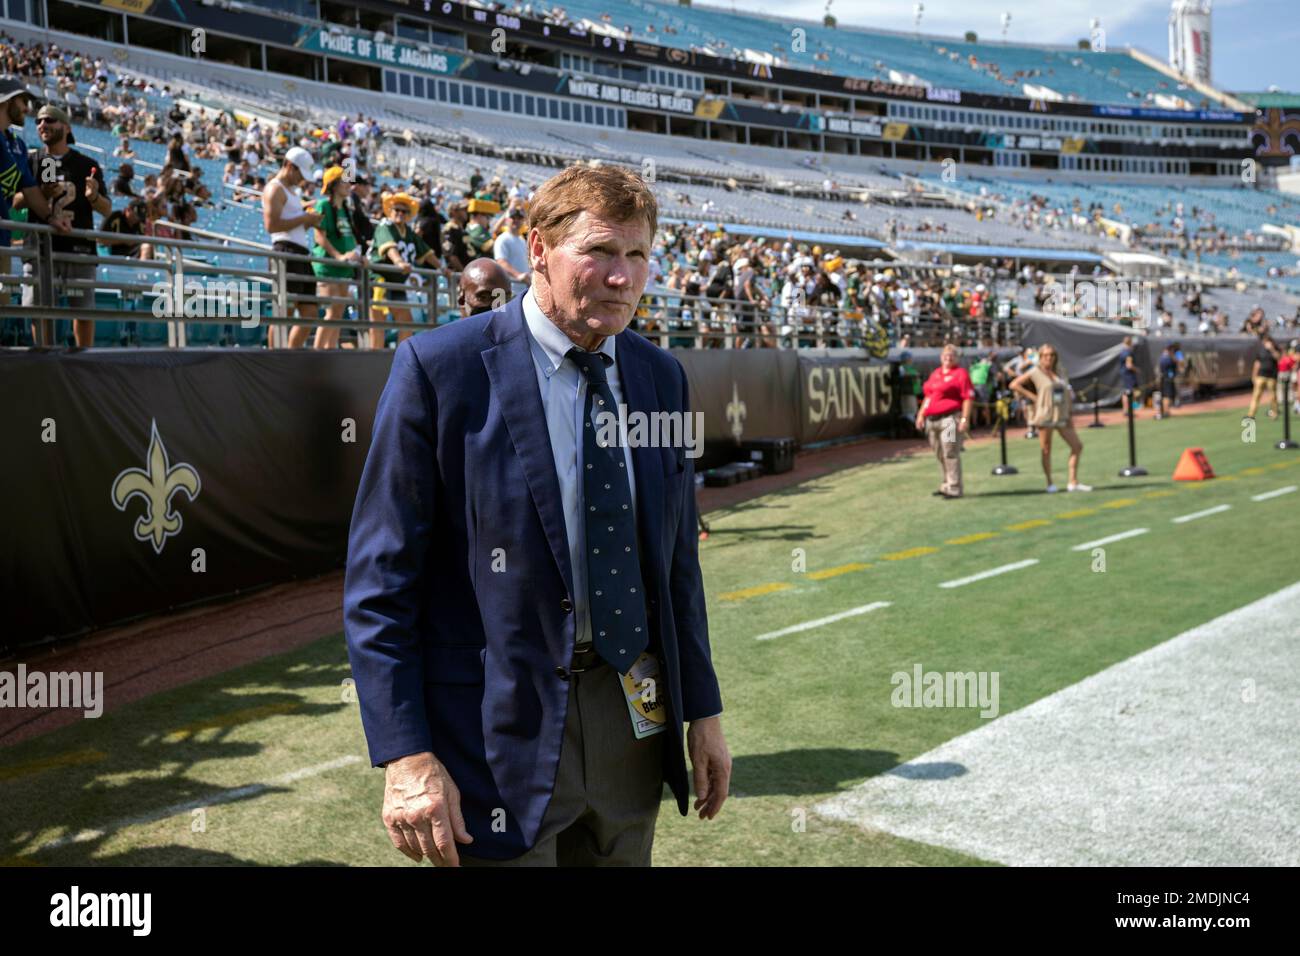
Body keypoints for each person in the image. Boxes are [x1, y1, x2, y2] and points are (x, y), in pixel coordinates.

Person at [344, 163, 729, 867]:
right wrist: (405, 755)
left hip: (633, 720)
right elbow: (379, 583)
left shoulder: (659, 377)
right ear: (538, 250)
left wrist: (702, 710)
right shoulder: (440, 369)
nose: (623, 277)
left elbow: (677, 562)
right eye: (601, 252)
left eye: (638, 255)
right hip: (492, 734)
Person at [17, 105, 109, 348]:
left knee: (84, 312)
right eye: (38, 121)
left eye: (50, 120)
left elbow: (107, 209)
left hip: (77, 247)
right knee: (38, 310)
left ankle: (84, 358)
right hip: (39, 248)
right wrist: (39, 192)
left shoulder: (86, 164)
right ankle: (44, 358)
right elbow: (15, 201)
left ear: (67, 127)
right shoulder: (31, 160)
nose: (42, 125)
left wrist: (94, 197)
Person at [1010, 343, 1091, 493]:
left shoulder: (1059, 372)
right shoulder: (1035, 371)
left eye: (1052, 355)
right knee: (1046, 449)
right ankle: (1049, 483)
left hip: (1061, 414)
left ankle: (1073, 482)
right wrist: (1035, 398)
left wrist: (1069, 412)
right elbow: (1014, 384)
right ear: (1040, 357)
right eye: (1046, 355)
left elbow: (1065, 393)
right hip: (1045, 414)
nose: (1049, 358)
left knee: (1077, 446)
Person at [262, 146, 322, 349]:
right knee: (284, 311)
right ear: (289, 166)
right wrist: (305, 217)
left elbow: (292, 225)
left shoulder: (291, 192)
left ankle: (290, 352)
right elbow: (272, 225)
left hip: (299, 253)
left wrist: (309, 220)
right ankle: (274, 357)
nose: (301, 179)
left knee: (310, 311)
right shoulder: (275, 188)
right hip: (285, 252)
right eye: (300, 173)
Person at [367, 192, 439, 350]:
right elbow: (390, 248)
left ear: (408, 215)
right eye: (396, 209)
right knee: (378, 323)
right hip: (379, 278)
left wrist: (442, 268)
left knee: (406, 321)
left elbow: (426, 252)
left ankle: (402, 362)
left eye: (404, 211)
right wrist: (399, 261)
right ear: (390, 211)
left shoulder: (409, 232)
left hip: (397, 281)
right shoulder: (384, 225)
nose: (399, 213)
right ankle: (372, 361)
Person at [310, 164, 361, 349]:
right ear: (333, 185)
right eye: (344, 181)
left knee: (338, 312)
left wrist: (357, 255)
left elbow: (348, 237)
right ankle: (318, 353)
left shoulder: (345, 209)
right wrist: (338, 256)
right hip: (328, 265)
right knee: (332, 312)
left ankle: (330, 351)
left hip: (344, 267)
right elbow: (319, 236)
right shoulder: (323, 204)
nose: (349, 184)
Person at [916, 343, 974, 499]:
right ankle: (946, 483)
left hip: (949, 418)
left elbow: (967, 398)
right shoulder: (936, 374)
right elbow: (928, 396)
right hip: (932, 419)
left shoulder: (960, 374)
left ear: (957, 358)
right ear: (941, 357)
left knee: (950, 452)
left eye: (952, 354)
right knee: (939, 453)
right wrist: (921, 414)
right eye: (945, 354)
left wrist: (964, 419)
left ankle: (954, 487)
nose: (948, 357)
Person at [493, 207, 530, 297]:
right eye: (513, 217)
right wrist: (518, 275)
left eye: (519, 218)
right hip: (508, 290)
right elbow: (501, 262)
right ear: (506, 220)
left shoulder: (521, 239)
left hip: (522, 289)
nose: (516, 220)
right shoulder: (502, 239)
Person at [1245, 335, 1280, 421]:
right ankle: (1251, 415)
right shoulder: (1261, 351)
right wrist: (1254, 376)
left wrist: (1272, 349)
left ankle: (1274, 413)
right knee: (1256, 396)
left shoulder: (1275, 350)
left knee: (1273, 396)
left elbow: (1278, 358)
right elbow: (1257, 364)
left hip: (1272, 377)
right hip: (1261, 376)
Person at [1155, 342, 1180, 419]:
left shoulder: (1164, 357)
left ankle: (1164, 411)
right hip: (1167, 379)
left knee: (1166, 395)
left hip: (1165, 378)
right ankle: (1166, 411)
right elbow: (1176, 363)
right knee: (1167, 395)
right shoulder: (1167, 358)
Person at [1118, 335, 1140, 417]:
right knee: (1130, 393)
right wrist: (1136, 370)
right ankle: (1130, 411)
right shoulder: (1128, 352)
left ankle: (1125, 410)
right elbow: (1129, 365)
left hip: (1124, 374)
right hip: (1129, 375)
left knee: (1125, 393)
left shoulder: (1122, 351)